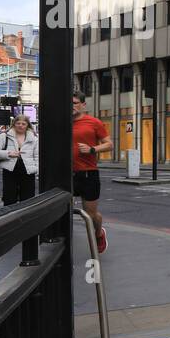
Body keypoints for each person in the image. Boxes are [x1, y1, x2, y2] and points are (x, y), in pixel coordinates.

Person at [72, 91, 112, 253]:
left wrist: (92, 149)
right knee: (62, 209)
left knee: (90, 214)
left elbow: (109, 144)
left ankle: (98, 233)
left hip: (88, 173)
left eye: (75, 103)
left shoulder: (94, 122)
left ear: (83, 105)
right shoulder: (62, 122)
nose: (72, 106)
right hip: (67, 174)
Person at [0, 115, 39, 206]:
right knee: (9, 199)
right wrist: (8, 154)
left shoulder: (34, 139)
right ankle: (10, 218)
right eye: (18, 123)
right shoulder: (4, 136)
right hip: (10, 171)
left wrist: (36, 169)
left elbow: (37, 156)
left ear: (27, 125)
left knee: (27, 200)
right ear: (14, 124)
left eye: (23, 124)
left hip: (28, 172)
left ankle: (25, 218)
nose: (20, 125)